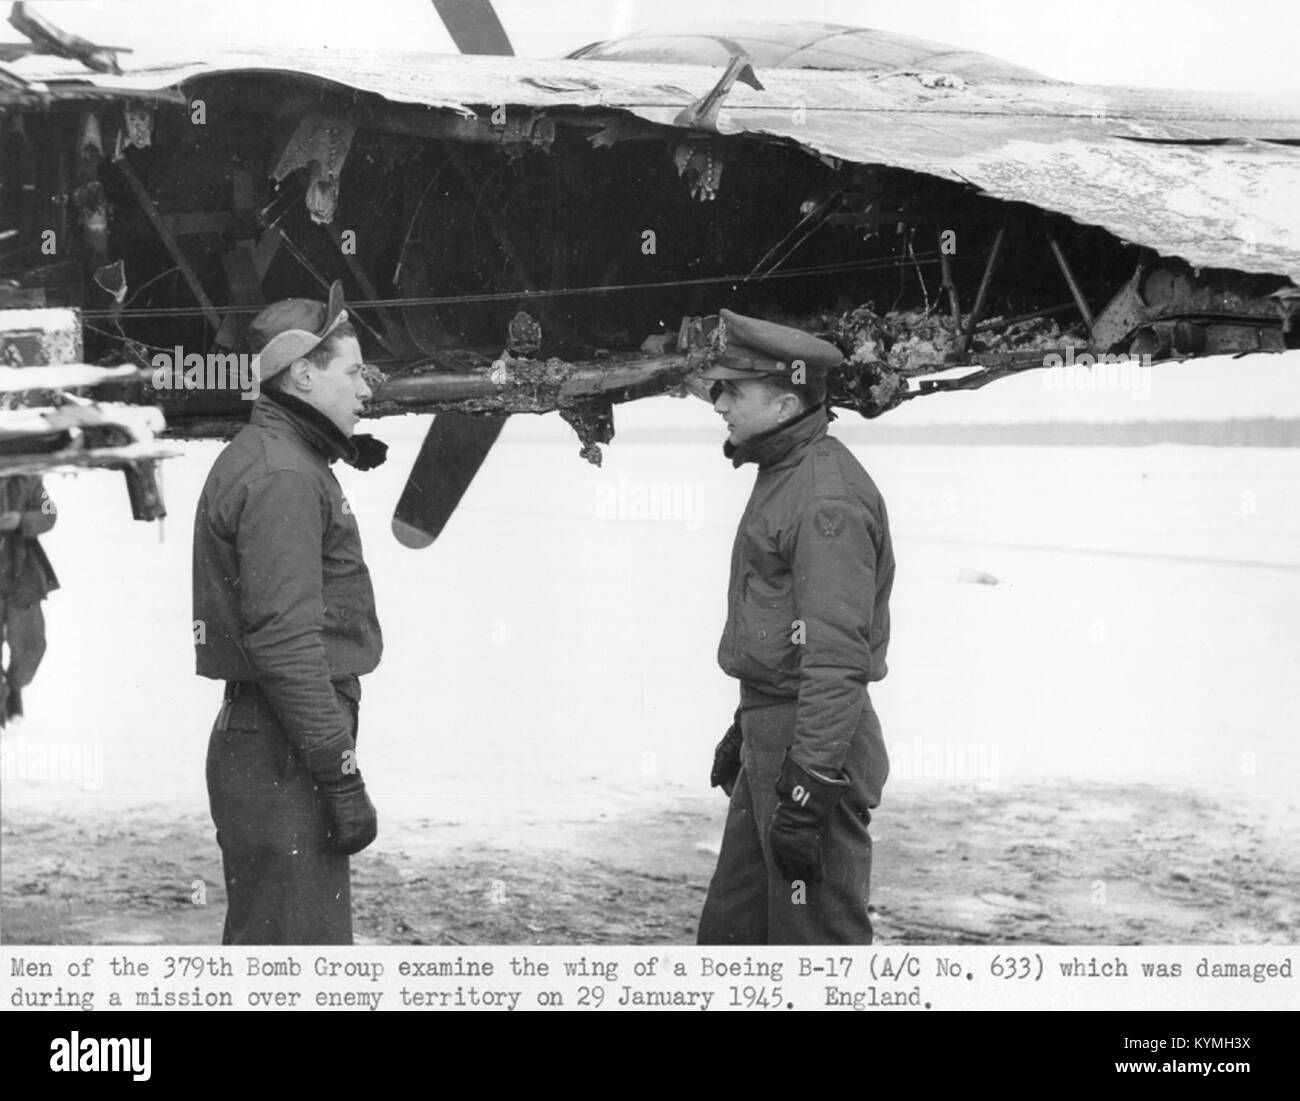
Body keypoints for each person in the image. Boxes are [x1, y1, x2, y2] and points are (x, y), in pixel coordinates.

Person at [192, 280, 387, 945]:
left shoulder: (279, 459)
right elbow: (285, 644)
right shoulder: (284, 476)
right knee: (298, 969)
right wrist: (341, 777)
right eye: (354, 372)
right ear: (303, 374)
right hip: (285, 753)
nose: (368, 390)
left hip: (275, 742)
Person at [695, 308, 894, 945]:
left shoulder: (823, 496)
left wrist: (808, 790)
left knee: (817, 955)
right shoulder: (786, 472)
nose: (718, 401)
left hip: (814, 747)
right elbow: (783, 630)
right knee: (734, 938)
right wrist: (747, 725)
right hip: (778, 731)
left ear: (785, 404)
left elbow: (835, 659)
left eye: (734, 389)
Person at [0, 474, 57, 725]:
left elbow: (49, 513)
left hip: (22, 576)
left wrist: (22, 521)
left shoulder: (29, 477)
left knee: (31, 647)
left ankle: (13, 688)